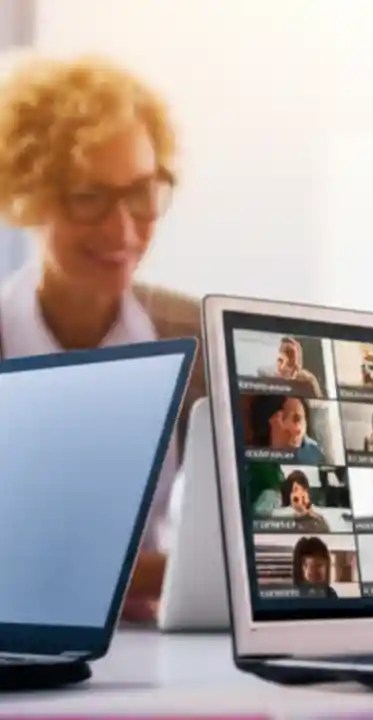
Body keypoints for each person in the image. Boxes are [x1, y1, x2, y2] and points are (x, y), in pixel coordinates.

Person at [0, 55, 207, 623]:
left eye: (142, 193)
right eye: (89, 196)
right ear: (29, 195)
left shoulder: (195, 339)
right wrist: (161, 570)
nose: (122, 230)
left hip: (148, 648)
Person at [248, 395, 327, 464]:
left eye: (300, 419)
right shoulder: (251, 460)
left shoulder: (314, 452)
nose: (298, 429)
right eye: (285, 418)